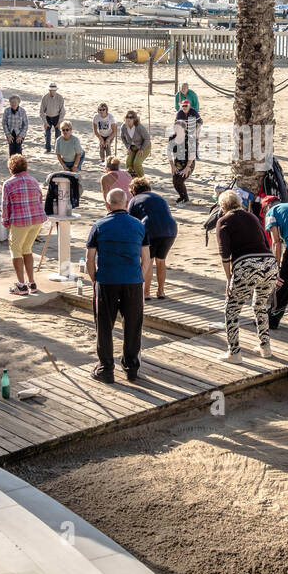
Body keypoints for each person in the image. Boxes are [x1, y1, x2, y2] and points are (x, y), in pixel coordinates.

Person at [85, 187, 149, 383]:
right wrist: (140, 277)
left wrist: (94, 278)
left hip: (107, 280)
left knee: (104, 325)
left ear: (107, 204)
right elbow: (146, 259)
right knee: (133, 324)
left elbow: (90, 259)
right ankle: (131, 367)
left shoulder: (99, 225)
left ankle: (106, 368)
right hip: (133, 281)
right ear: (126, 203)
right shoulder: (138, 225)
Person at [215, 190, 277, 359]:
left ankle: (234, 352)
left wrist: (229, 280)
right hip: (269, 264)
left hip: (246, 266)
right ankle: (266, 347)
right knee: (260, 305)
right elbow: (266, 242)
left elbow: (225, 255)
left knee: (232, 310)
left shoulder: (223, 221)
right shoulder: (252, 217)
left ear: (223, 206)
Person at [1, 154, 45, 295]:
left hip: (20, 220)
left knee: (15, 250)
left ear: (11, 168)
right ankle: (31, 282)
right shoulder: (33, 180)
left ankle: (21, 285)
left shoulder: (8, 184)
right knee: (27, 248)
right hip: (37, 219)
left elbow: (5, 205)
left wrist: (6, 222)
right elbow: (40, 198)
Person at [128, 176, 176, 300]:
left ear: (134, 191)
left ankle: (146, 293)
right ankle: (161, 291)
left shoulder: (134, 200)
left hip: (150, 229)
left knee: (147, 261)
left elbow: (130, 222)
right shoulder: (159, 198)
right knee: (161, 261)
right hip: (170, 229)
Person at [167, 122, 194, 203]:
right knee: (175, 182)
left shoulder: (189, 139)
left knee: (180, 180)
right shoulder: (172, 138)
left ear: (184, 129)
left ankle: (185, 198)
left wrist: (187, 168)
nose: (175, 130)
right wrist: (172, 166)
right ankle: (182, 196)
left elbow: (192, 155)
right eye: (175, 128)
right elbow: (169, 153)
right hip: (177, 164)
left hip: (188, 163)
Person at [120, 110, 151, 177]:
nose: (128, 119)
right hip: (132, 147)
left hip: (144, 146)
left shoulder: (139, 127)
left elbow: (147, 139)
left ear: (135, 119)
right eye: (127, 117)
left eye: (131, 117)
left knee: (136, 163)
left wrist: (142, 149)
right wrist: (128, 147)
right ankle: (132, 178)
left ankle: (141, 179)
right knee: (129, 163)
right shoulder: (123, 127)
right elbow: (122, 138)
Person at [40, 82, 65, 152]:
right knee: (47, 134)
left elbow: (62, 111)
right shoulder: (45, 97)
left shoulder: (60, 98)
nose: (52, 92)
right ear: (49, 90)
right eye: (51, 90)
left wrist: (60, 122)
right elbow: (41, 112)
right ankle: (48, 148)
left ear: (56, 90)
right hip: (48, 116)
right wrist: (45, 122)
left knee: (58, 134)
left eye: (54, 90)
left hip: (57, 117)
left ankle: (57, 149)